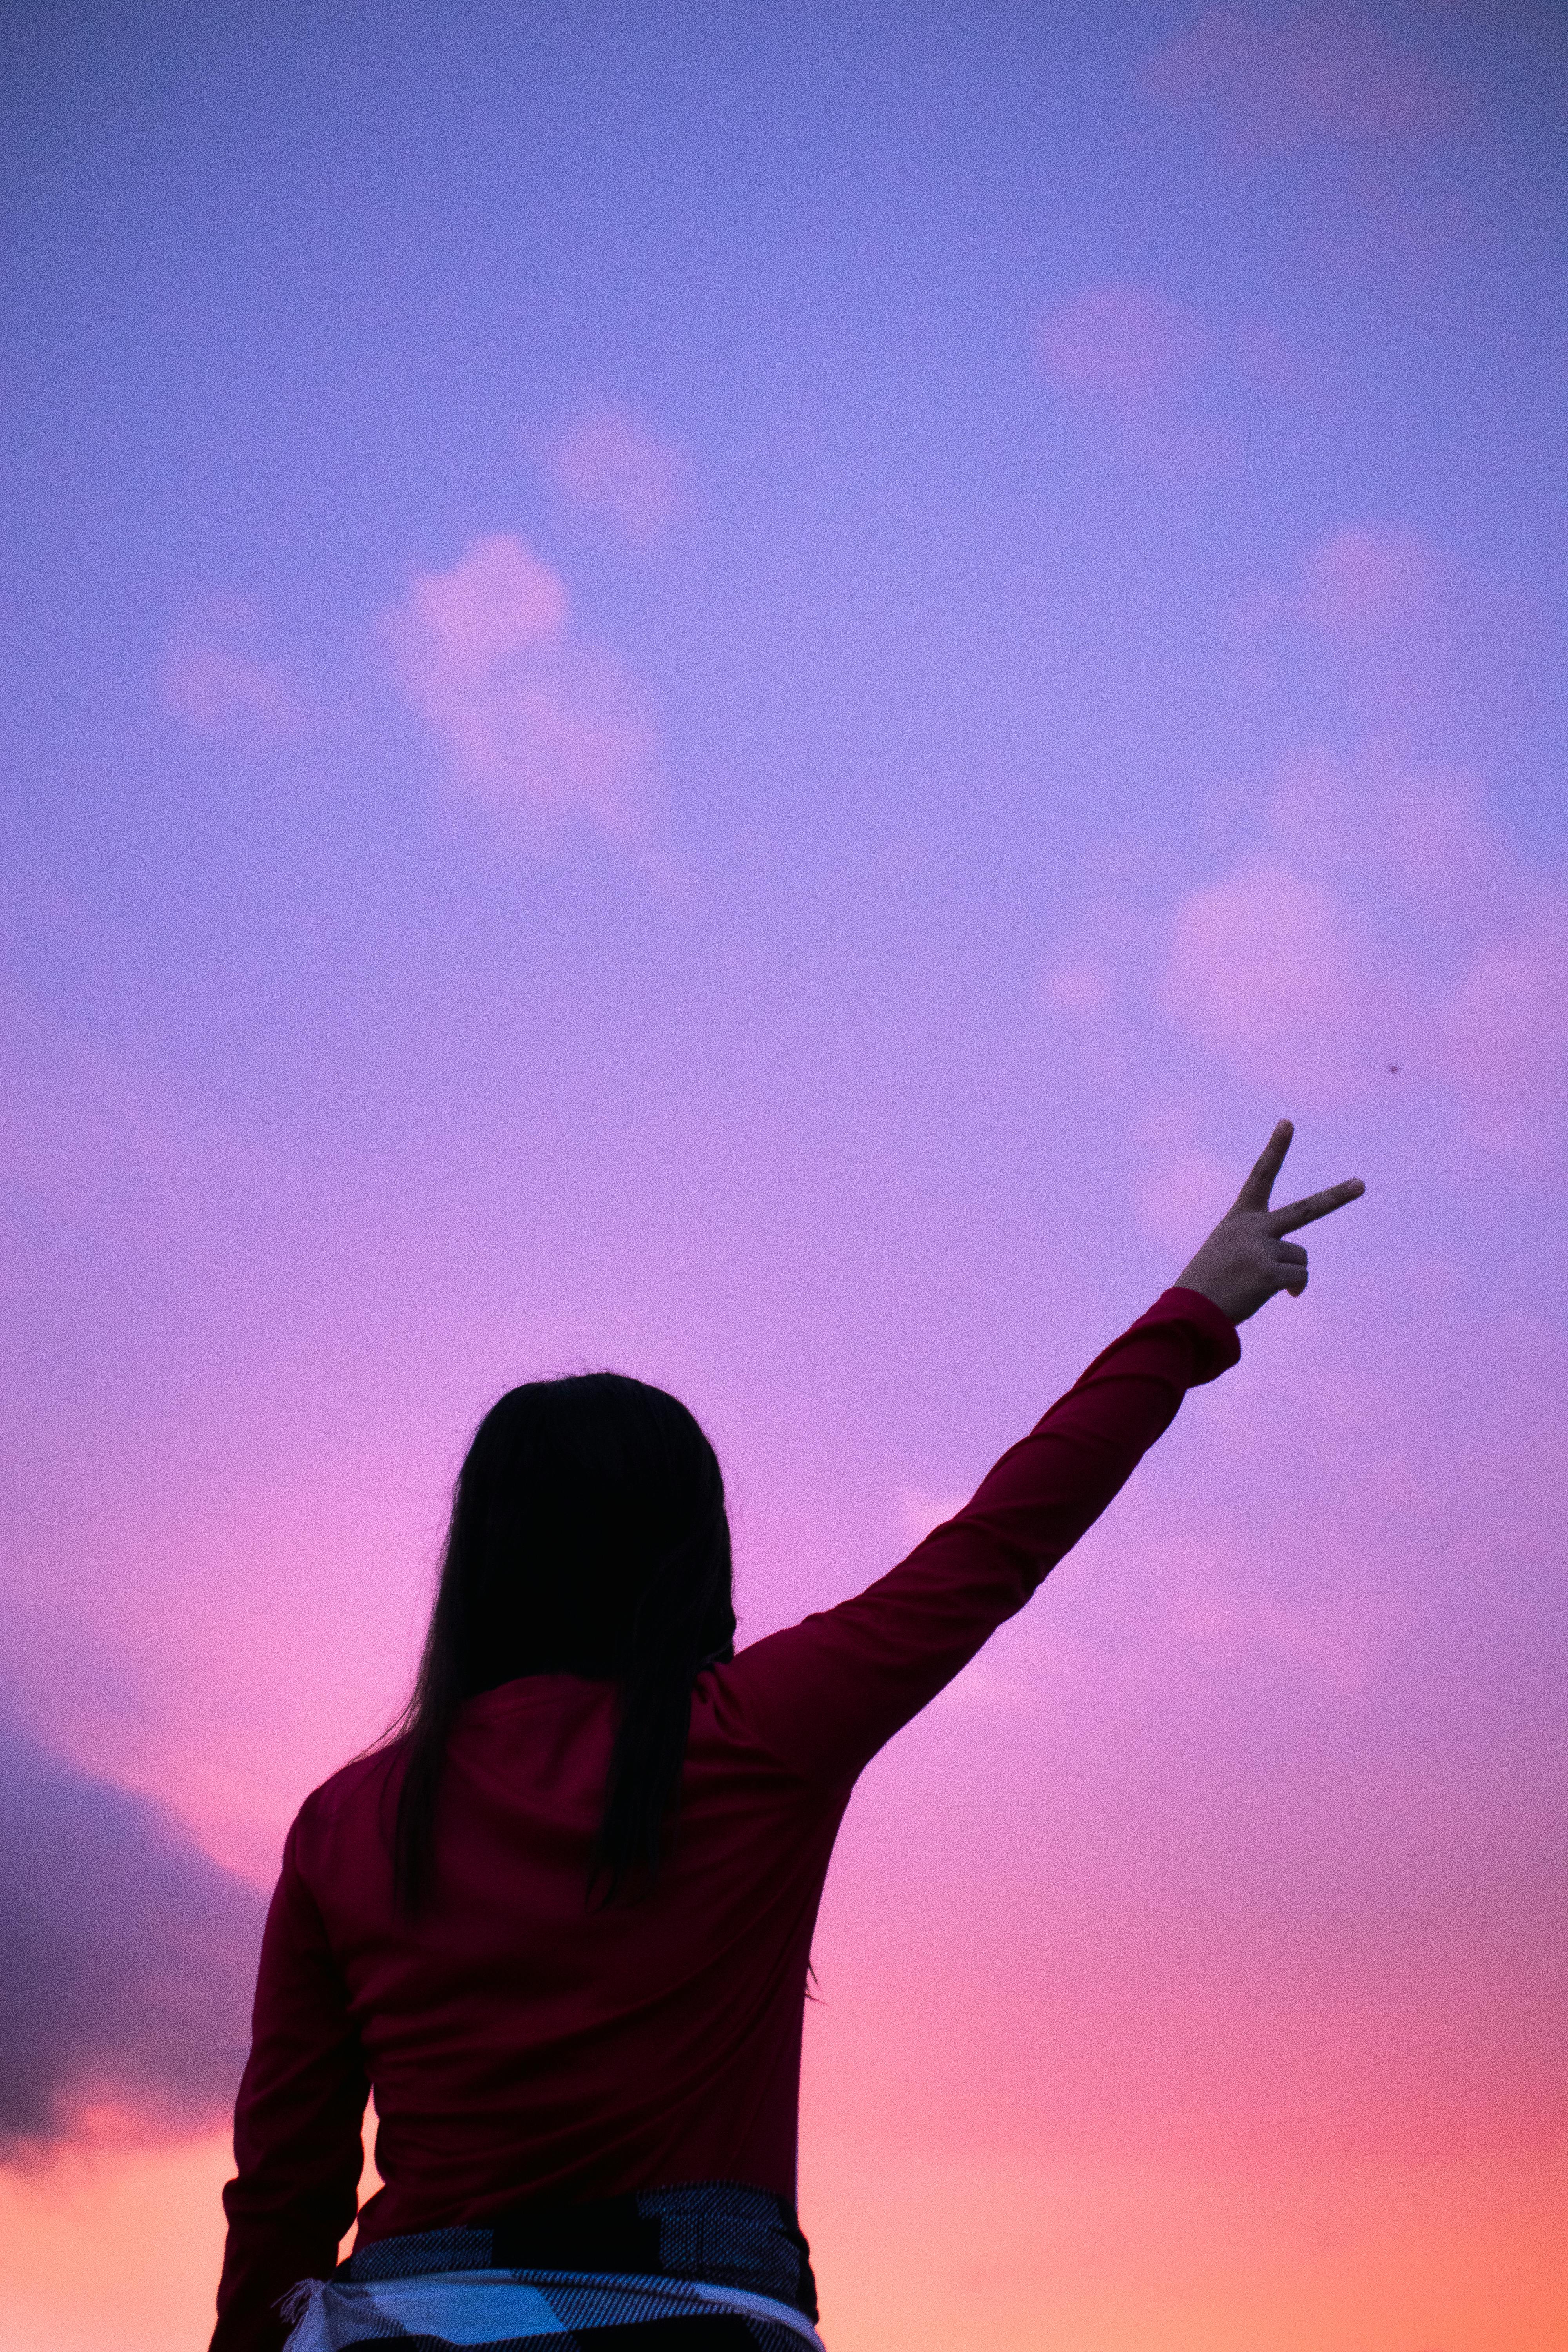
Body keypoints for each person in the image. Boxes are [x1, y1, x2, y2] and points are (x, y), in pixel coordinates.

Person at [212, 1120, 1363, 2352]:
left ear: (478, 1566)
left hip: (406, 2324)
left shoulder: (348, 1823)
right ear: (686, 1554)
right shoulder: (748, 1738)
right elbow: (997, 1544)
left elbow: (288, 2182)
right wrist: (1190, 1315)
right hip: (699, 2319)